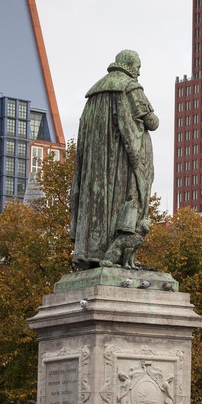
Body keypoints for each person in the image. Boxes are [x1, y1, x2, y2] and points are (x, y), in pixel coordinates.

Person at [69, 50, 158, 269]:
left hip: (95, 166)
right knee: (128, 200)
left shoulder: (93, 95)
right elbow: (153, 122)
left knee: (98, 207)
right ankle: (117, 254)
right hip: (123, 163)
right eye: (137, 66)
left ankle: (95, 252)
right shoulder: (130, 88)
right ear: (129, 65)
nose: (138, 71)